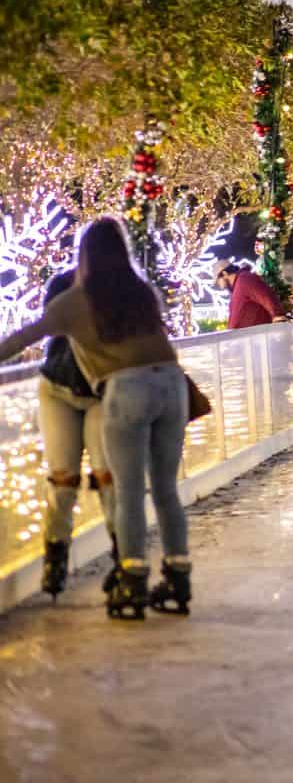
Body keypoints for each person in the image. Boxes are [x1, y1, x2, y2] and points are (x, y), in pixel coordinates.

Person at [0, 218, 192, 620]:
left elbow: (22, 340)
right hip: (172, 385)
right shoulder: (141, 292)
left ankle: (132, 578)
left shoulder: (74, 301)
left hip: (126, 390)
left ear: (84, 255)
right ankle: (177, 574)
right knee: (165, 489)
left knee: (125, 489)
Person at [34, 270, 118, 601]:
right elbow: (44, 327)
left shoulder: (119, 287)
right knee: (62, 478)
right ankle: (55, 556)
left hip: (100, 392)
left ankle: (123, 556)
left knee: (107, 476)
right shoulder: (64, 285)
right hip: (58, 386)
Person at [215, 260, 287, 330]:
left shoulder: (245, 279)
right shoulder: (238, 285)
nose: (219, 286)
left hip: (257, 337)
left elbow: (266, 296)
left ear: (224, 274)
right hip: (247, 339)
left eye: (217, 281)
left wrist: (278, 317)